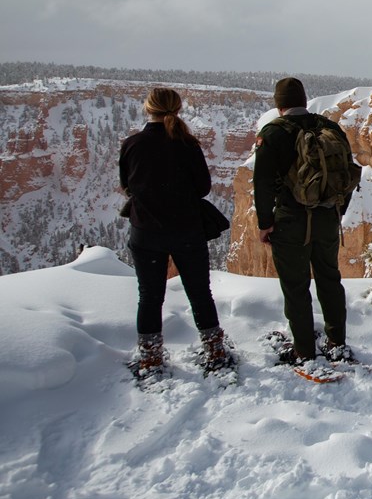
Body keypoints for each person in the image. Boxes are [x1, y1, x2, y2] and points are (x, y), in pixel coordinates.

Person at [120, 87, 236, 380]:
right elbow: (203, 188)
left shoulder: (133, 144)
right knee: (199, 293)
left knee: (149, 296)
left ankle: (150, 358)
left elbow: (128, 186)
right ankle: (214, 350)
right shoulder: (187, 144)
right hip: (186, 230)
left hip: (146, 232)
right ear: (177, 109)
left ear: (149, 109)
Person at [253, 77, 355, 365]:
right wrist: (337, 212)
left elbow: (262, 183)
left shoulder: (273, 133)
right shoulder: (328, 127)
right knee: (329, 279)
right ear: (304, 99)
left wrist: (265, 223)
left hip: (291, 220)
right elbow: (346, 175)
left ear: (279, 104)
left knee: (296, 286)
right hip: (327, 218)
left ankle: (304, 351)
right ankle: (337, 341)